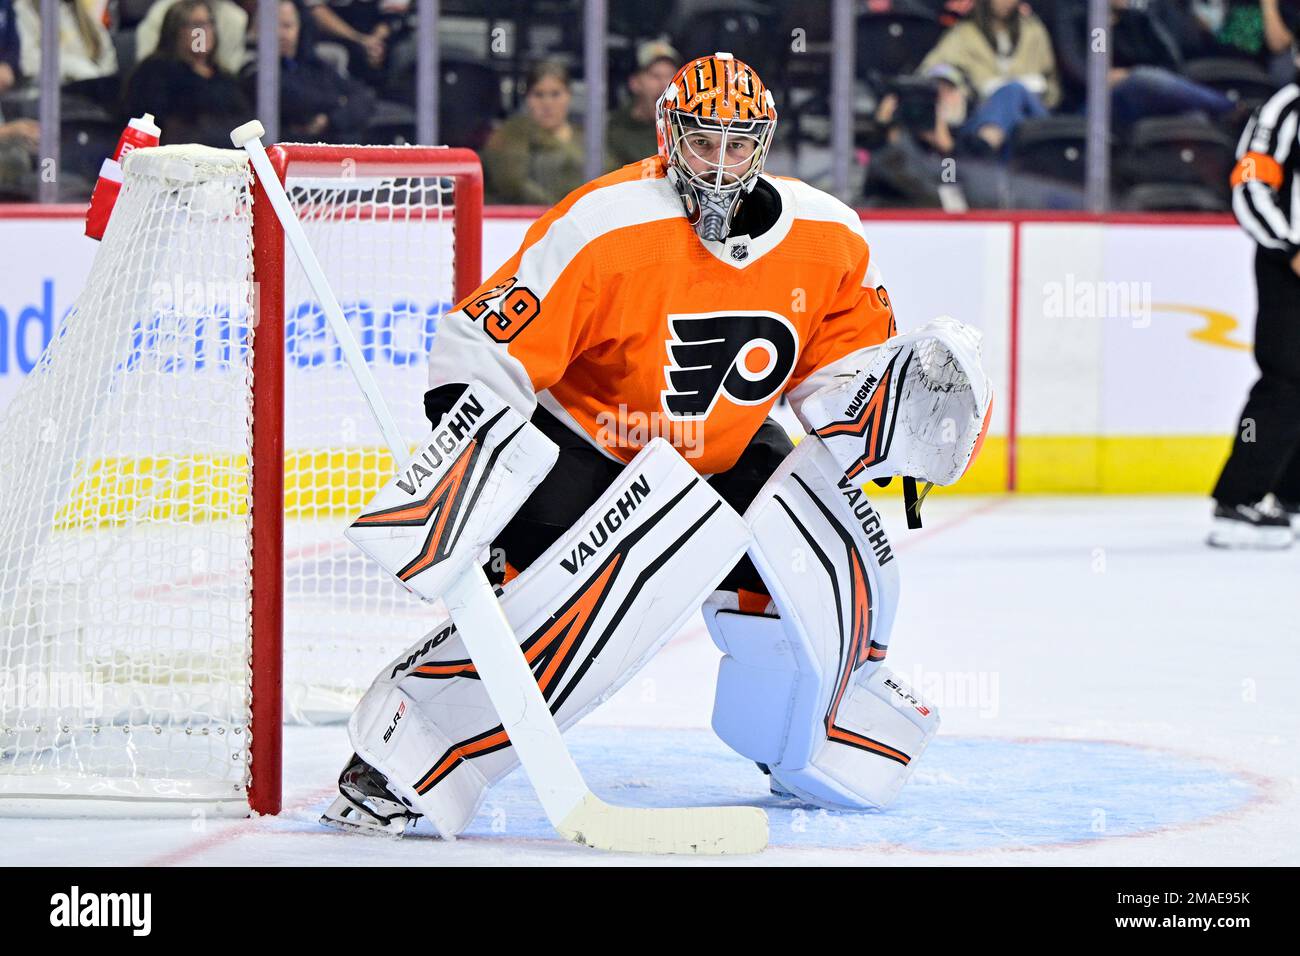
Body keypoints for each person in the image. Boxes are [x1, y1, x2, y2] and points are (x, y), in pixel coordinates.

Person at [320, 53, 987, 837]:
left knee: (835, 538)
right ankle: (409, 748)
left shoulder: (828, 236)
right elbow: (480, 346)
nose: (720, 163)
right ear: (669, 136)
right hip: (585, 453)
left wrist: (892, 412)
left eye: (739, 145)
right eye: (703, 142)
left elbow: (834, 381)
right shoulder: (607, 224)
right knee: (595, 598)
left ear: (763, 145)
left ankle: (815, 730)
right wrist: (475, 471)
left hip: (724, 453)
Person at [1210, 76, 1300, 547]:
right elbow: (1249, 184)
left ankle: (1291, 497)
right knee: (1286, 379)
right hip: (1289, 265)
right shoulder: (1285, 109)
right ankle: (1236, 501)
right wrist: (1290, 246)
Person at [918, 0, 1060, 157]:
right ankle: (986, 149)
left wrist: (1035, 91)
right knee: (1013, 117)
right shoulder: (965, 34)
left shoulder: (1033, 31)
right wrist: (952, 84)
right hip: (984, 113)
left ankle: (983, 148)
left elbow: (1052, 85)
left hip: (1035, 116)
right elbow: (931, 70)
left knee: (1014, 90)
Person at [240, 0, 374, 143]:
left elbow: (364, 95)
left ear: (299, 28)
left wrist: (331, 120)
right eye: (273, 26)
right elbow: (296, 100)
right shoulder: (252, 69)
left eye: (287, 26)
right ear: (258, 29)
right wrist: (340, 101)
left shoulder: (314, 64)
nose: (280, 34)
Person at [122, 0, 251, 148]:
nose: (204, 32)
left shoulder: (224, 77)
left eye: (209, 23)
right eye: (196, 25)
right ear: (175, 30)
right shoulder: (154, 73)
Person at [481, 59, 586, 205]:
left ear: (569, 96)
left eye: (555, 94)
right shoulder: (509, 134)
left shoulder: (588, 138)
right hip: (517, 222)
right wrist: (559, 211)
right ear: (527, 99)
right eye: (538, 95)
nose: (547, 103)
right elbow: (512, 183)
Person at [605, 38, 679, 171]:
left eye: (671, 76)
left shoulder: (686, 129)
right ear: (635, 83)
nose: (664, 84)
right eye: (655, 76)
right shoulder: (613, 130)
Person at [14, 0, 117, 86]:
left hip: (94, 90)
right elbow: (29, 62)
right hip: (55, 93)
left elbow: (106, 56)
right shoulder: (24, 9)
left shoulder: (83, 11)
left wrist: (100, 79)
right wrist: (76, 67)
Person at [135, 0, 249, 76]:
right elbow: (147, 66)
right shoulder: (160, 12)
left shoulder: (236, 18)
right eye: (196, 24)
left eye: (209, 23)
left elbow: (230, 70)